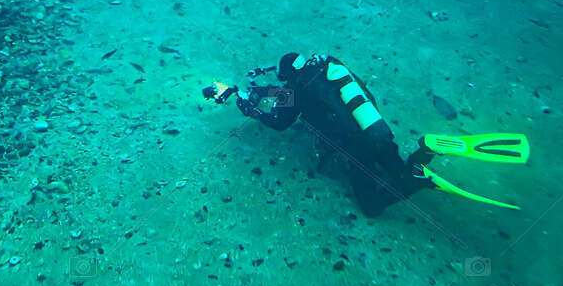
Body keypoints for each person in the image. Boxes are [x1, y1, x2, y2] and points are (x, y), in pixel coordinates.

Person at [203, 52, 528, 216]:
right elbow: (293, 94)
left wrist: (244, 104)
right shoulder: (329, 69)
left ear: (292, 78)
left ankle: (421, 177)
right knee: (395, 167)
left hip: (357, 148)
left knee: (371, 205)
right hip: (378, 129)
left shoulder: (298, 92)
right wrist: (258, 90)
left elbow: (279, 121)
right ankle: (423, 153)